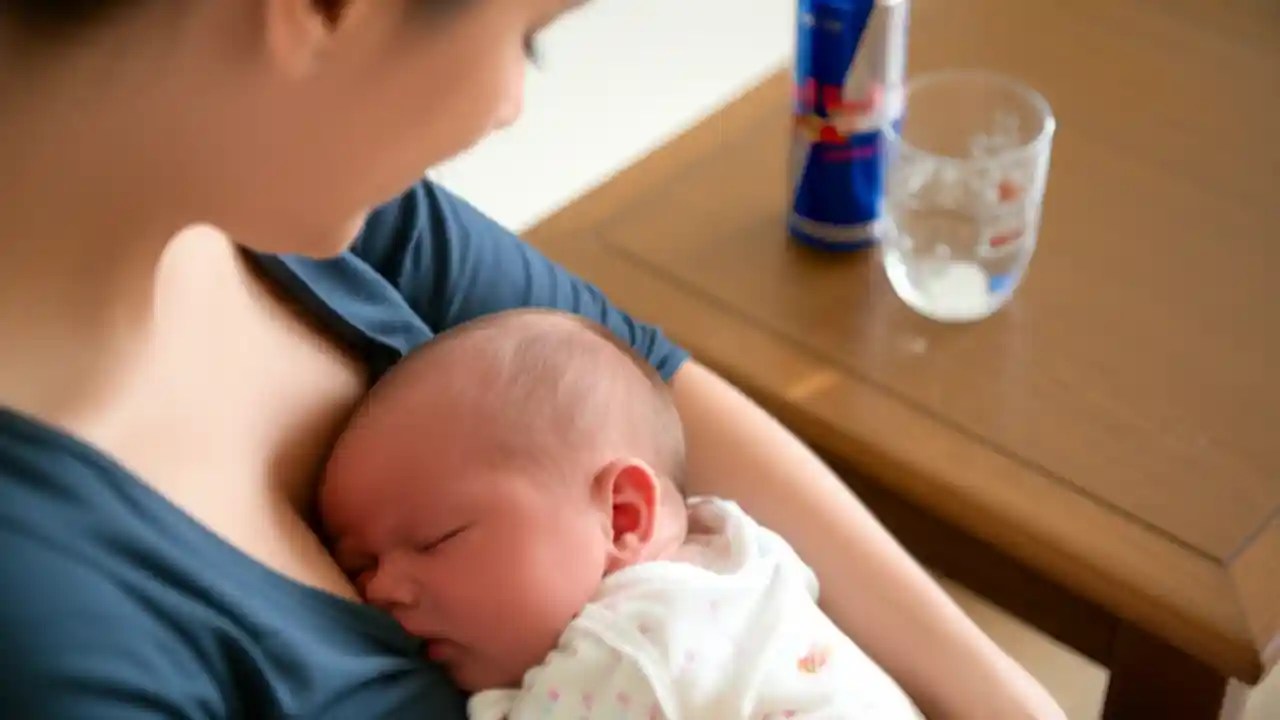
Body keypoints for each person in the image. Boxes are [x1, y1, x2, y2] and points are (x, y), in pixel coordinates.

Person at [0, 1, 1065, 718]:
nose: (508, 104)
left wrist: (1011, 704)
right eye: (527, 35)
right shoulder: (54, 638)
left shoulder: (297, 197)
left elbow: (646, 389)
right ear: (324, 7)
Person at [319, 308, 923, 719]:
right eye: (359, 567)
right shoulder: (739, 555)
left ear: (624, 517)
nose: (382, 590)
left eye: (435, 539)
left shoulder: (622, 656)